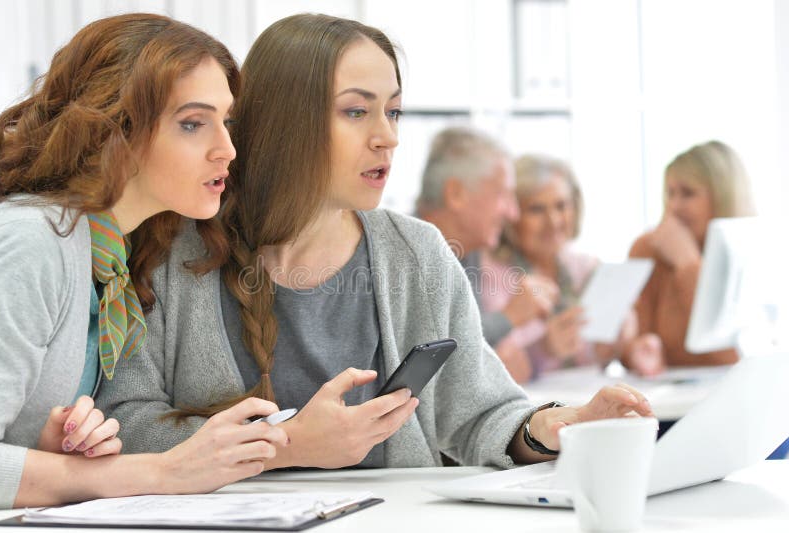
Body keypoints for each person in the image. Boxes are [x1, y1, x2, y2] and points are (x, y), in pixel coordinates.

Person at [97, 13, 653, 472]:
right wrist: (287, 443)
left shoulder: (418, 252)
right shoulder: (170, 249)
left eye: (393, 111)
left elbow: (484, 415)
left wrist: (552, 427)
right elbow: (127, 423)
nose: (387, 136)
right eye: (356, 111)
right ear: (285, 121)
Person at [0, 13, 286, 510]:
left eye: (225, 121)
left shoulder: (107, 255)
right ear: (114, 131)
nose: (227, 150)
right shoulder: (33, 242)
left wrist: (53, 444)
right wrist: (161, 471)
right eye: (193, 124)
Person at [481, 155, 635, 382]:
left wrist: (626, 345)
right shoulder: (488, 275)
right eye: (536, 209)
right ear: (512, 214)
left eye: (561, 206)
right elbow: (489, 372)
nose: (553, 221)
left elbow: (599, 353)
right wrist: (543, 350)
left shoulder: (586, 268)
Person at [416, 127, 558, 348]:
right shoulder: (403, 250)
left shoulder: (467, 250)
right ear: (456, 194)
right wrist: (509, 317)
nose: (514, 213)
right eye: (503, 194)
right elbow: (432, 350)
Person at [624, 140, 756, 374]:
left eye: (688, 193)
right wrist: (636, 352)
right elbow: (631, 343)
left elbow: (734, 354)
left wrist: (688, 264)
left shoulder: (748, 252)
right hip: (670, 400)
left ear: (722, 197)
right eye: (670, 193)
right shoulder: (648, 249)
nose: (673, 206)